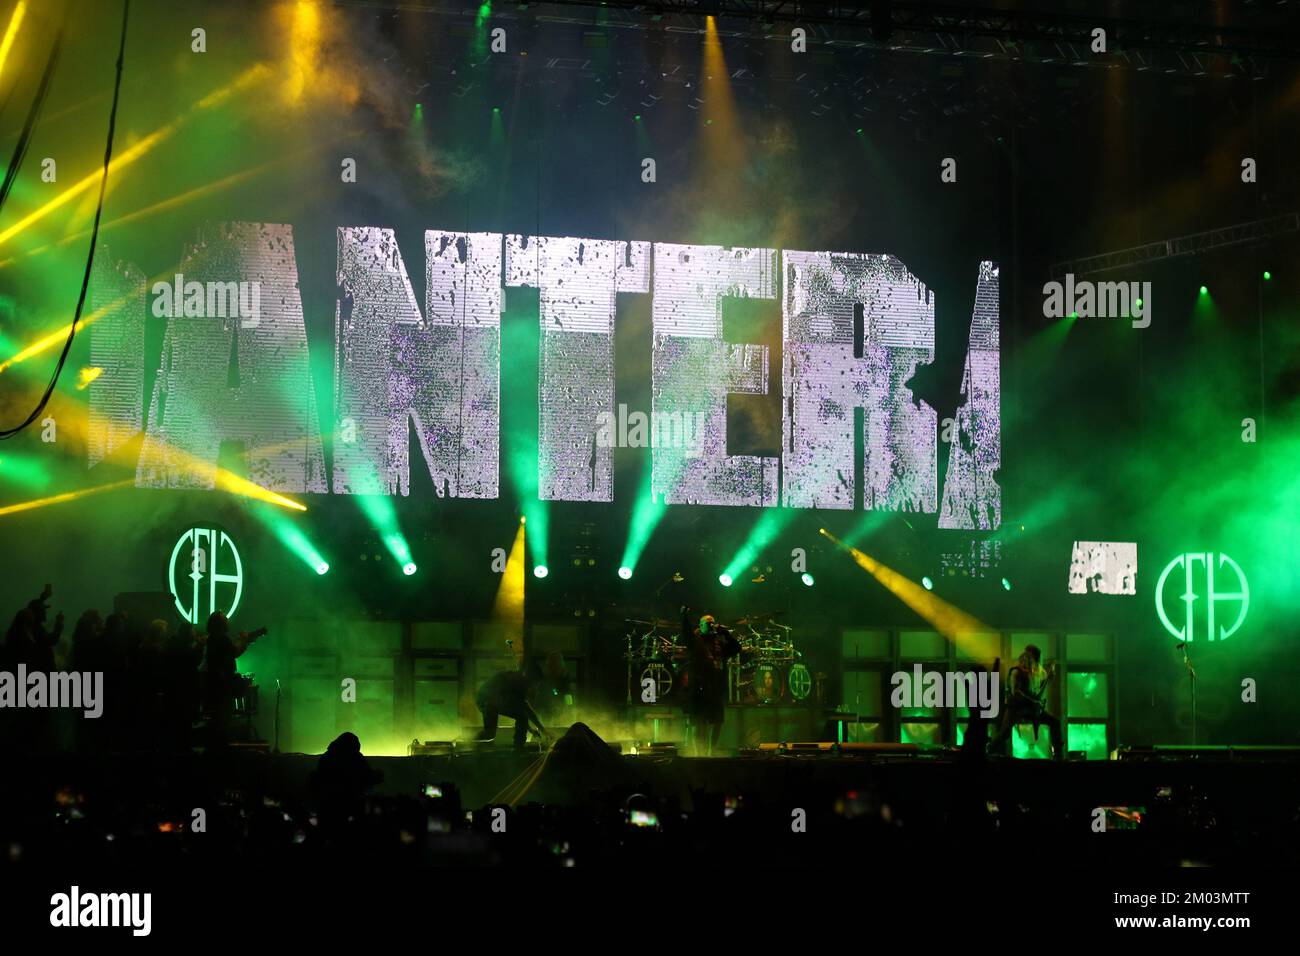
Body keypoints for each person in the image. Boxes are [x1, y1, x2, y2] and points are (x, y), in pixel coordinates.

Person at [200, 611, 266, 751]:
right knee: (222, 724)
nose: (228, 620)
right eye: (225, 619)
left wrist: (244, 641)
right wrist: (244, 640)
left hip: (213, 687)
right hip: (221, 689)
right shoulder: (222, 639)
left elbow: (232, 652)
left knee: (216, 724)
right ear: (221, 624)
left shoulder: (212, 638)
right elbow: (234, 652)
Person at [680, 607, 740, 756]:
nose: (711, 625)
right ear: (700, 625)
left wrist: (725, 633)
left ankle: (710, 751)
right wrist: (685, 617)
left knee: (717, 721)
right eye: (708, 623)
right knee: (697, 722)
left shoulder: (718, 643)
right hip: (698, 688)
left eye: (712, 622)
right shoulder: (695, 641)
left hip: (715, 688)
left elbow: (736, 648)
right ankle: (696, 753)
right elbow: (686, 634)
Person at [987, 645, 1063, 761]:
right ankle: (988, 750)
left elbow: (1037, 691)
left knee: (1055, 722)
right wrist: (1034, 702)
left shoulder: (1036, 672)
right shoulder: (1017, 671)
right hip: (1015, 708)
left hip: (1031, 708)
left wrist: (1048, 680)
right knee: (1005, 732)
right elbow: (1016, 693)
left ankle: (1058, 755)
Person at [475, 661, 550, 750]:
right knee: (490, 733)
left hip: (490, 699)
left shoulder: (520, 681)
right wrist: (544, 731)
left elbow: (524, 711)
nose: (536, 687)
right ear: (532, 679)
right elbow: (527, 711)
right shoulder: (519, 683)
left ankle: (518, 747)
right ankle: (518, 748)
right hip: (487, 700)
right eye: (536, 683)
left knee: (490, 734)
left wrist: (532, 730)